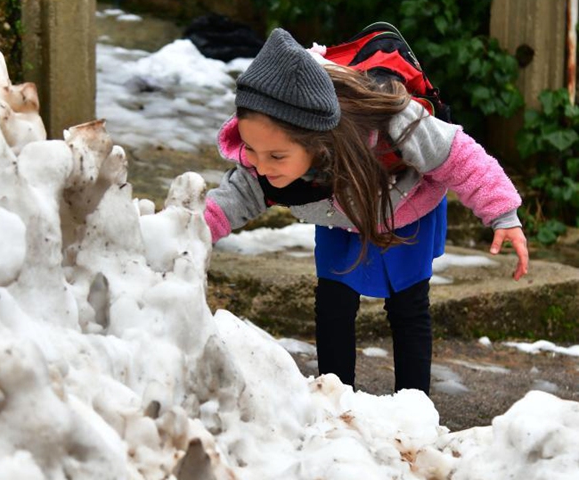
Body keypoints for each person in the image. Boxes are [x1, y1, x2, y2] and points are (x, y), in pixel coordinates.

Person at [203, 28, 529, 395]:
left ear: (318, 139)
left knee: (408, 307)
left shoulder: (391, 119)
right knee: (334, 305)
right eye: (251, 151)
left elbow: (458, 155)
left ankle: (414, 405)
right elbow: (232, 197)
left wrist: (503, 214)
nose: (261, 167)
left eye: (275, 156)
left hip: (406, 208)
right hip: (340, 217)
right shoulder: (268, 158)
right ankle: (335, 398)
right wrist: (189, 232)